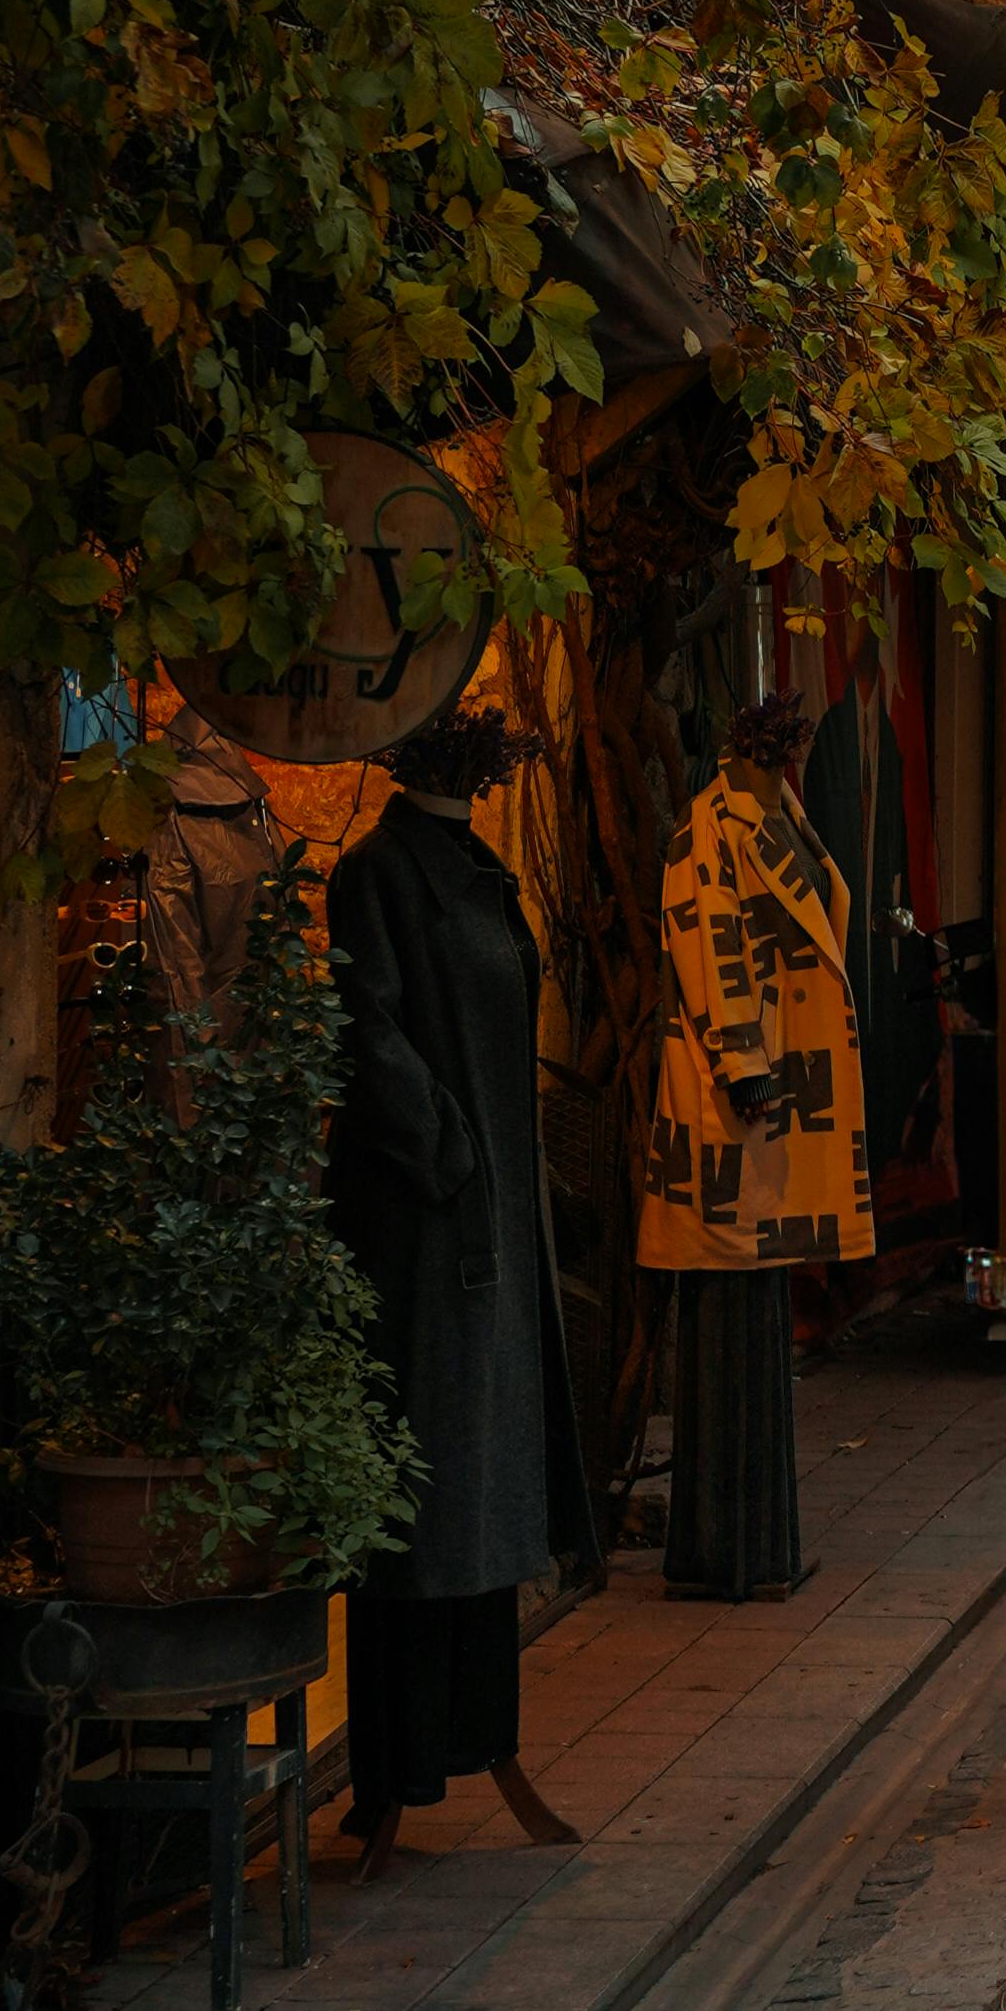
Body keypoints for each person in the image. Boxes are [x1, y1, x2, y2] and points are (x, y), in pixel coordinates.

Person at [325, 707, 598, 1873]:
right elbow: (365, 1028)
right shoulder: (378, 876)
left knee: (485, 1489)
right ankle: (398, 1766)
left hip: (489, 1235)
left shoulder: (482, 870)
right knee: (430, 1495)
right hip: (426, 1242)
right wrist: (444, 1155)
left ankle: (485, 1732)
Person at [638, 691, 871, 1597]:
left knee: (753, 1321)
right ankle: (730, 1547)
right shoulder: (710, 828)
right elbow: (710, 948)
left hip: (772, 1105)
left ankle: (750, 1542)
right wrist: (744, 1064)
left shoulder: (782, 815)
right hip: (739, 1110)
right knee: (729, 1323)